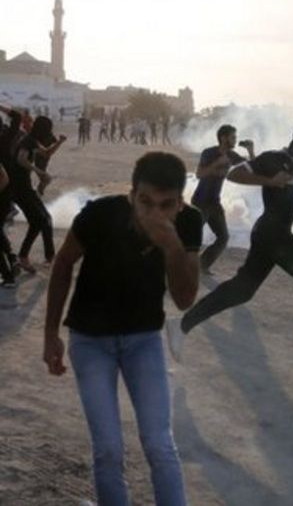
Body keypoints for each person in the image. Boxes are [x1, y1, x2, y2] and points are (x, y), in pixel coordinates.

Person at [43, 152, 202, 506]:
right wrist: (50, 333)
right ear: (131, 195)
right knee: (108, 450)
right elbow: (64, 261)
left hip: (143, 339)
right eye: (145, 202)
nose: (154, 214)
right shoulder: (100, 215)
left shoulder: (189, 223)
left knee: (160, 445)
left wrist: (172, 245)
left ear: (180, 203)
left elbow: (185, 298)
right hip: (89, 340)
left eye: (167, 205)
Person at [169, 121, 293, 369]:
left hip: (271, 236)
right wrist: (270, 182)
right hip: (274, 236)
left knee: (242, 291)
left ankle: (181, 325)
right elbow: (234, 174)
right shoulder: (274, 159)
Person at [191, 124, 255, 274]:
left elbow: (253, 167)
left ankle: (202, 264)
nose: (235, 140)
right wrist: (217, 164)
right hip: (201, 202)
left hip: (214, 202)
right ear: (223, 138)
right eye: (233, 137)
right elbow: (199, 174)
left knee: (223, 237)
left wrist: (251, 150)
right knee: (189, 236)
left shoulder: (232, 156)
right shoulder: (209, 153)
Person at [9, 115, 62, 272]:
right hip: (18, 189)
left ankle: (50, 256)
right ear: (43, 129)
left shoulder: (31, 140)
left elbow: (46, 153)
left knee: (46, 219)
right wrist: (40, 172)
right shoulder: (28, 141)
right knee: (38, 221)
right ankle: (23, 257)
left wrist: (60, 142)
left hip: (25, 187)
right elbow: (21, 159)